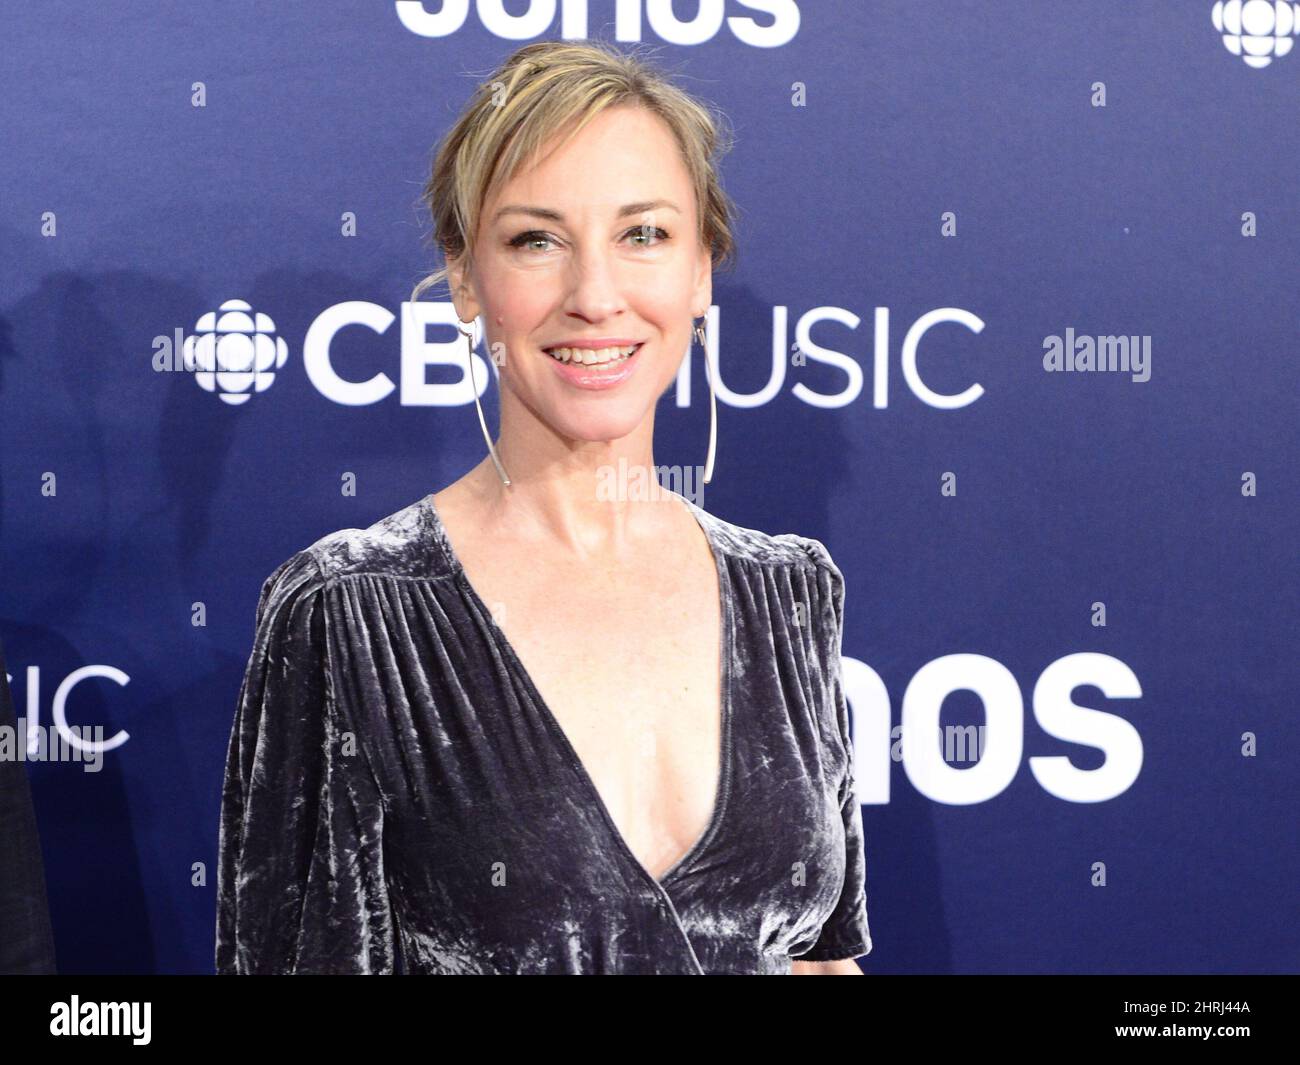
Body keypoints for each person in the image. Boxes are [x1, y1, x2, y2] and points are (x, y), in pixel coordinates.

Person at [215, 39, 871, 975]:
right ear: (465, 279)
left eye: (643, 233)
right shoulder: (351, 613)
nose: (595, 296)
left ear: (701, 273)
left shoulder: (790, 595)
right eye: (536, 240)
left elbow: (819, 959)